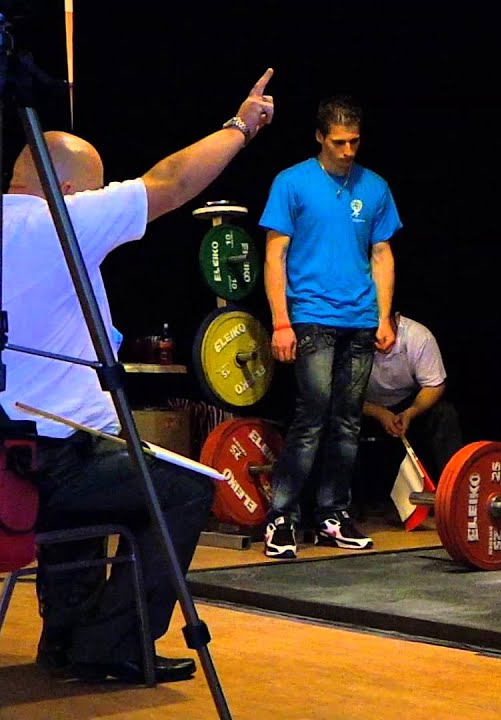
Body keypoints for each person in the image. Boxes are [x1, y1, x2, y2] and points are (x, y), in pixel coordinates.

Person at [0, 70, 275, 683]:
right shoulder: (56, 224)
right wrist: (241, 126)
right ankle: (113, 643)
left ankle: (67, 637)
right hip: (48, 462)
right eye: (90, 194)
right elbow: (170, 183)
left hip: (16, 464)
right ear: (67, 190)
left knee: (100, 454)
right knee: (185, 486)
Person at [261, 94, 402, 559]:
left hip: (360, 318)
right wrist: (281, 321)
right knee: (311, 415)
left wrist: (383, 315)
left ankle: (333, 516)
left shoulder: (375, 186)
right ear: (320, 137)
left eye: (354, 142)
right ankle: (281, 517)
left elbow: (382, 254)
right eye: (339, 142)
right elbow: (275, 254)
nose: (348, 151)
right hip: (311, 317)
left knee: (346, 423)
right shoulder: (292, 182)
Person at [359, 312, 463, 502]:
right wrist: (379, 413)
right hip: (363, 406)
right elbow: (339, 394)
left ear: (396, 318)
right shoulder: (352, 338)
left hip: (407, 403)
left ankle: (452, 496)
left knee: (444, 414)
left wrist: (411, 413)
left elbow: (434, 384)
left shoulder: (418, 336)